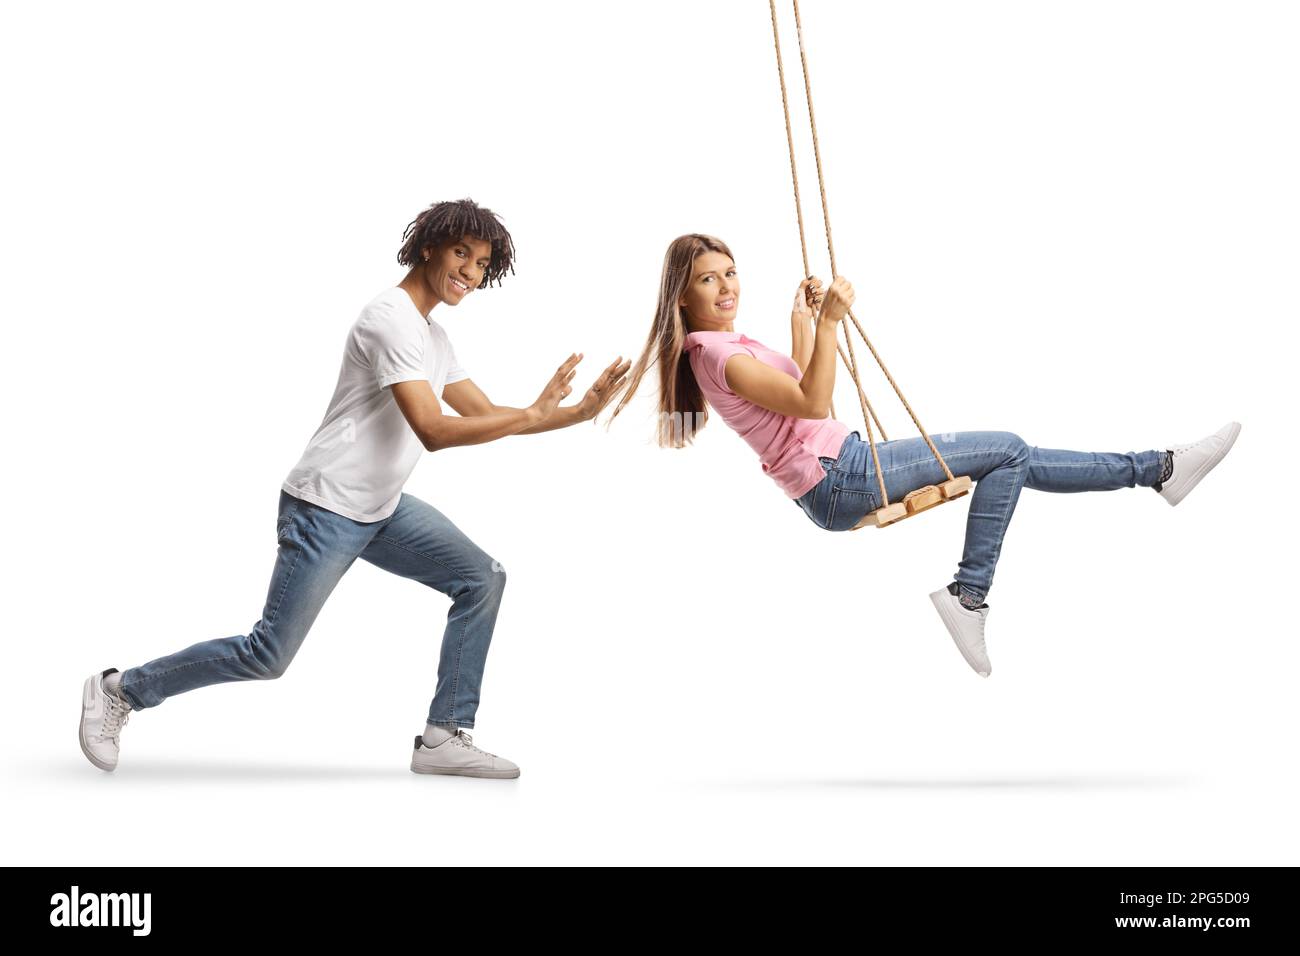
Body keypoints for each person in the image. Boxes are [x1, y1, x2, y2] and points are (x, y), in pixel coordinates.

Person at [79, 198, 631, 776]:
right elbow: (436, 430)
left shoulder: (433, 337)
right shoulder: (390, 319)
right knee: (268, 655)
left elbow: (487, 412)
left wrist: (574, 414)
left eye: (482, 262)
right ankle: (121, 689)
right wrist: (534, 414)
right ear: (428, 247)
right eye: (461, 253)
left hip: (380, 508)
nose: (470, 271)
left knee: (481, 578)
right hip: (324, 507)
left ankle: (444, 736)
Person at [605, 233, 1240, 677]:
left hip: (837, 469)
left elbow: (800, 387)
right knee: (1009, 449)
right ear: (682, 297)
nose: (724, 286)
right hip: (839, 476)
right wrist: (830, 325)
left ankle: (1160, 470)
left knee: (1011, 456)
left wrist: (803, 318)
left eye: (729, 271)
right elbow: (811, 399)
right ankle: (971, 594)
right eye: (707, 279)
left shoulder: (725, 344)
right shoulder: (716, 354)